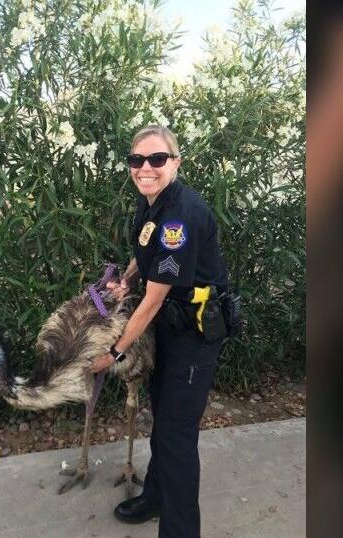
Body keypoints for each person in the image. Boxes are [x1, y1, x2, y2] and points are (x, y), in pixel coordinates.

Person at [87, 125, 230, 538]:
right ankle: (156, 497)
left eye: (157, 159)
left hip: (193, 334)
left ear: (176, 162)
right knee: (163, 420)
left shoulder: (179, 216)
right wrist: (128, 278)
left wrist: (114, 353)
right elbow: (144, 254)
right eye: (137, 160)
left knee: (176, 436)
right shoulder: (151, 201)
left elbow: (154, 300)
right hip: (167, 329)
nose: (145, 168)